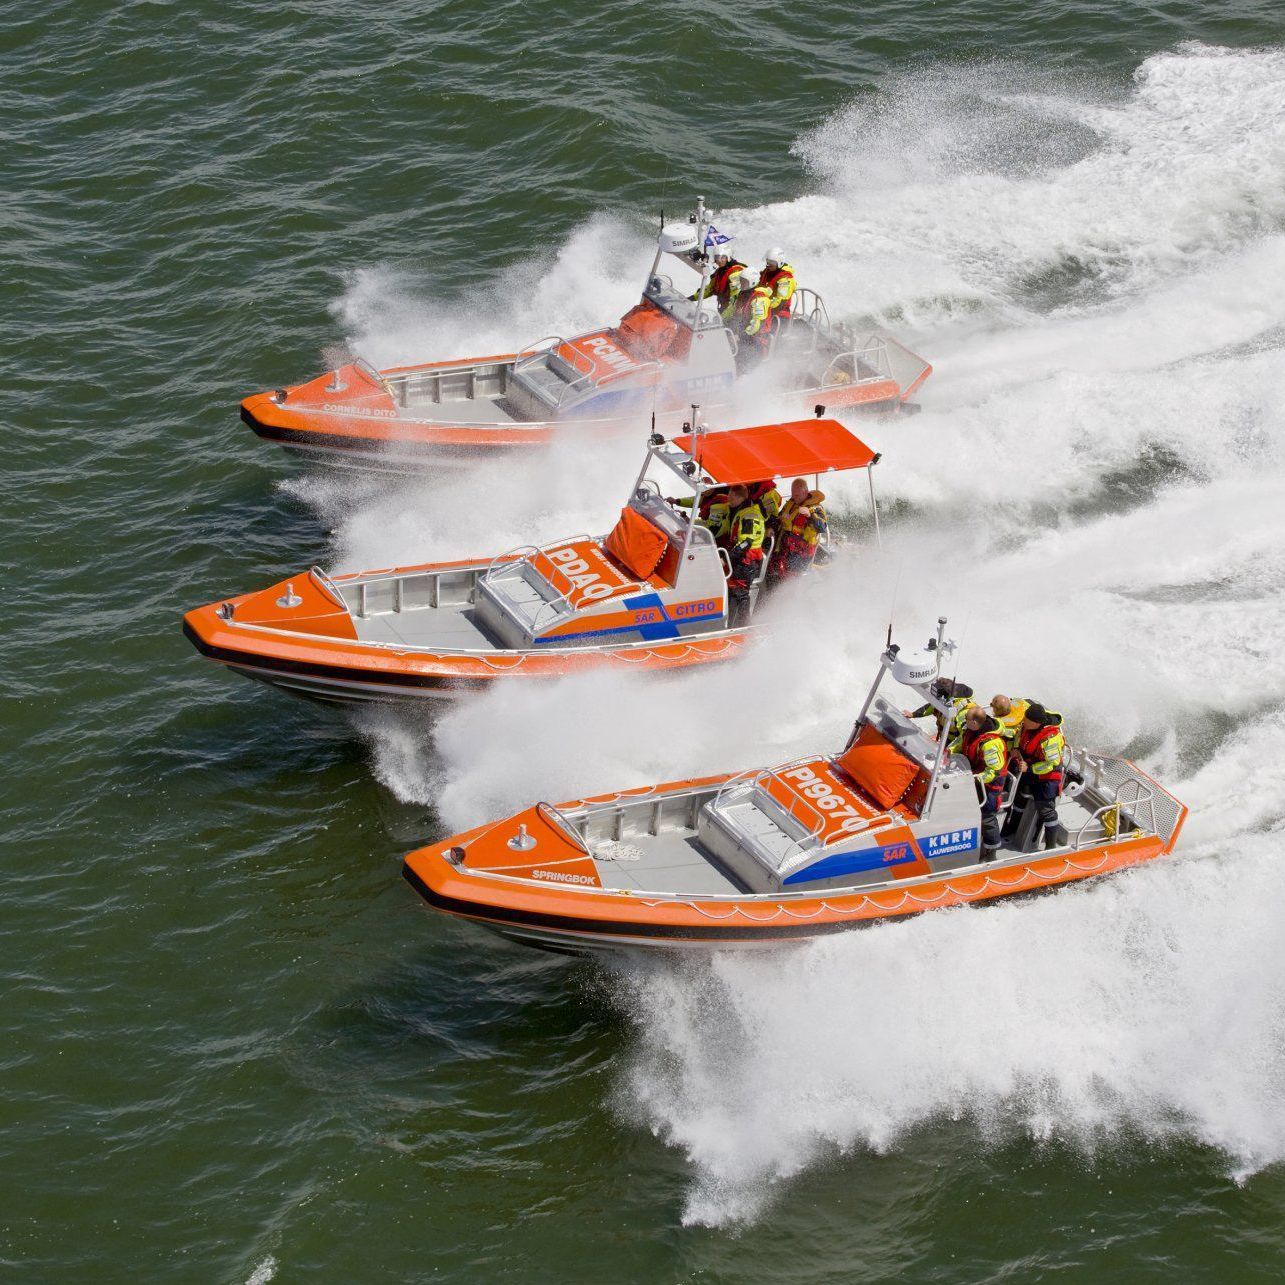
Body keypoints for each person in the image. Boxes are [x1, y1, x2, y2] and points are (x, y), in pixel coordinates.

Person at [1003, 702, 1067, 850]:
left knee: (1046, 810)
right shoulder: (1027, 727)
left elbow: (1051, 764)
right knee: (1019, 798)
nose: (1023, 721)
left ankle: (1050, 846)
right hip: (1028, 769)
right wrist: (1016, 749)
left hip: (1046, 777)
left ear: (1037, 723)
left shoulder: (1050, 739)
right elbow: (1020, 738)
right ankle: (1012, 827)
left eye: (1027, 720)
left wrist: (1029, 769)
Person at [950, 705, 1008, 861]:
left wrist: (974, 779)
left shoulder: (990, 744)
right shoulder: (970, 731)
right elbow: (961, 742)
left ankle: (991, 853)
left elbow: (993, 772)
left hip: (989, 785)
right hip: (973, 776)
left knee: (987, 818)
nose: (964, 721)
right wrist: (949, 751)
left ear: (975, 723)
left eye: (967, 719)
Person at [704, 483, 766, 626]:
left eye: (731, 496)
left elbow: (746, 542)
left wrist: (725, 559)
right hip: (737, 557)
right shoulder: (734, 511)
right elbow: (720, 529)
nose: (728, 499)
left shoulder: (750, 515)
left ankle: (741, 626)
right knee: (732, 591)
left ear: (740, 498)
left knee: (740, 593)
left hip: (747, 562)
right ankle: (729, 623)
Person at [770, 477, 828, 581]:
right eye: (793, 494)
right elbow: (778, 518)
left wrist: (810, 514)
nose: (794, 497)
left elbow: (822, 527)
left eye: (796, 495)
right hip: (783, 547)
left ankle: (789, 593)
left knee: (784, 573)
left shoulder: (816, 508)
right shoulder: (791, 503)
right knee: (771, 570)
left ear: (805, 492)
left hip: (801, 553)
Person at [729, 269, 774, 364]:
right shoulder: (743, 295)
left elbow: (757, 324)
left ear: (752, 282)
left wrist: (739, 336)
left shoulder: (760, 299)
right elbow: (735, 314)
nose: (741, 284)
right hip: (745, 336)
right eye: (741, 281)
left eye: (744, 282)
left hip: (757, 340)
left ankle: (742, 374)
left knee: (739, 356)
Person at [908, 677, 974, 740]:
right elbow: (931, 707)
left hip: (955, 742)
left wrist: (951, 748)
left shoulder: (962, 711)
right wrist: (913, 714)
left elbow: (965, 735)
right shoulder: (943, 701)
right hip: (945, 737)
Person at [689, 246, 747, 315]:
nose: (719, 260)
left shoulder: (735, 273)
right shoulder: (719, 271)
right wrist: (692, 298)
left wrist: (724, 317)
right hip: (724, 308)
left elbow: (735, 300)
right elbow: (710, 289)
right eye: (717, 257)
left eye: (722, 257)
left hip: (735, 312)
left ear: (728, 257)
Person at [760, 248, 797, 320]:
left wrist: (763, 305)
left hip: (779, 314)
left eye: (772, 263)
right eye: (767, 262)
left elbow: (780, 302)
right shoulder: (767, 272)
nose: (768, 265)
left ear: (780, 263)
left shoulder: (785, 280)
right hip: (763, 309)